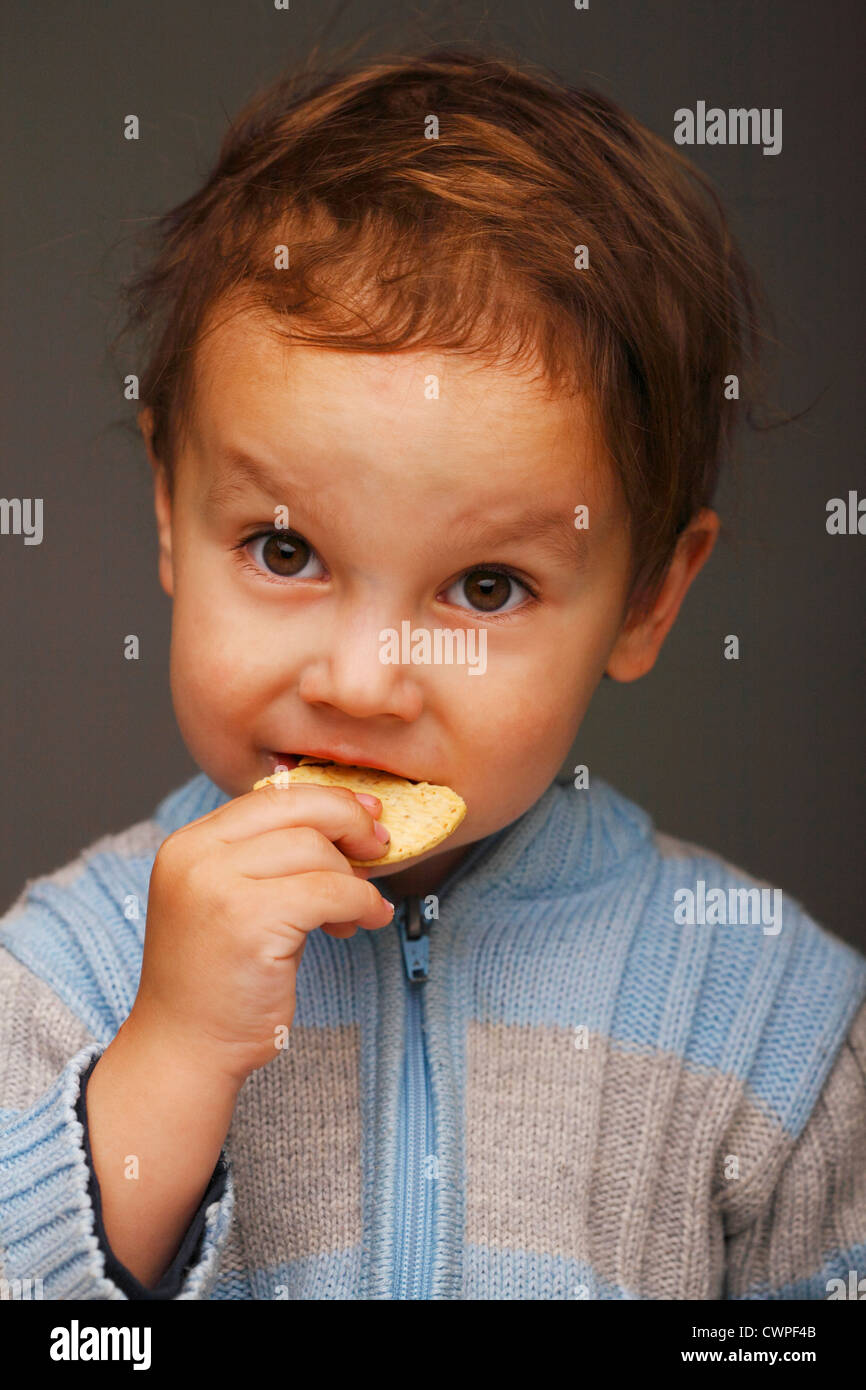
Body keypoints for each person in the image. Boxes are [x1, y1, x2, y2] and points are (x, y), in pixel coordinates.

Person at [1, 47, 863, 1302]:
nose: (361, 680)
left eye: (484, 587)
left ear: (646, 599)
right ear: (168, 511)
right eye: (285, 550)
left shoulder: (773, 1018)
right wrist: (168, 1060)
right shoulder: (62, 972)